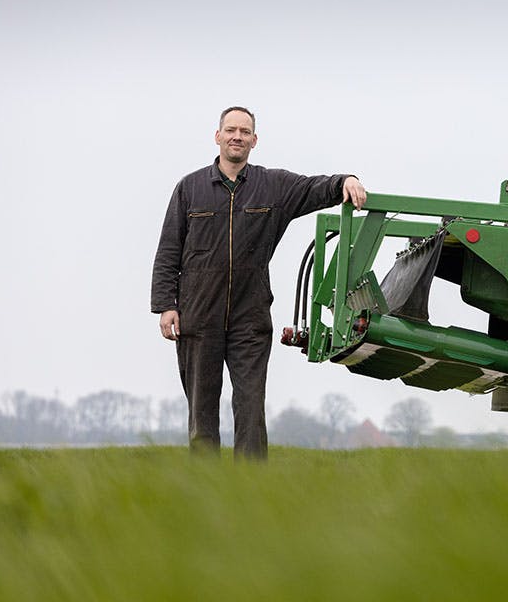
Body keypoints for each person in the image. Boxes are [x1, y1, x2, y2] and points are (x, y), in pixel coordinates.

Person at [151, 106, 367, 459]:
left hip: (249, 317)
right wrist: (165, 305)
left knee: (251, 404)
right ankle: (205, 488)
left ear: (254, 140)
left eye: (245, 131)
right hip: (198, 316)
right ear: (218, 136)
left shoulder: (274, 186)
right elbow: (168, 250)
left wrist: (346, 180)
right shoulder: (189, 189)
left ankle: (250, 487)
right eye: (231, 130)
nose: (238, 136)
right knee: (201, 409)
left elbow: (315, 188)